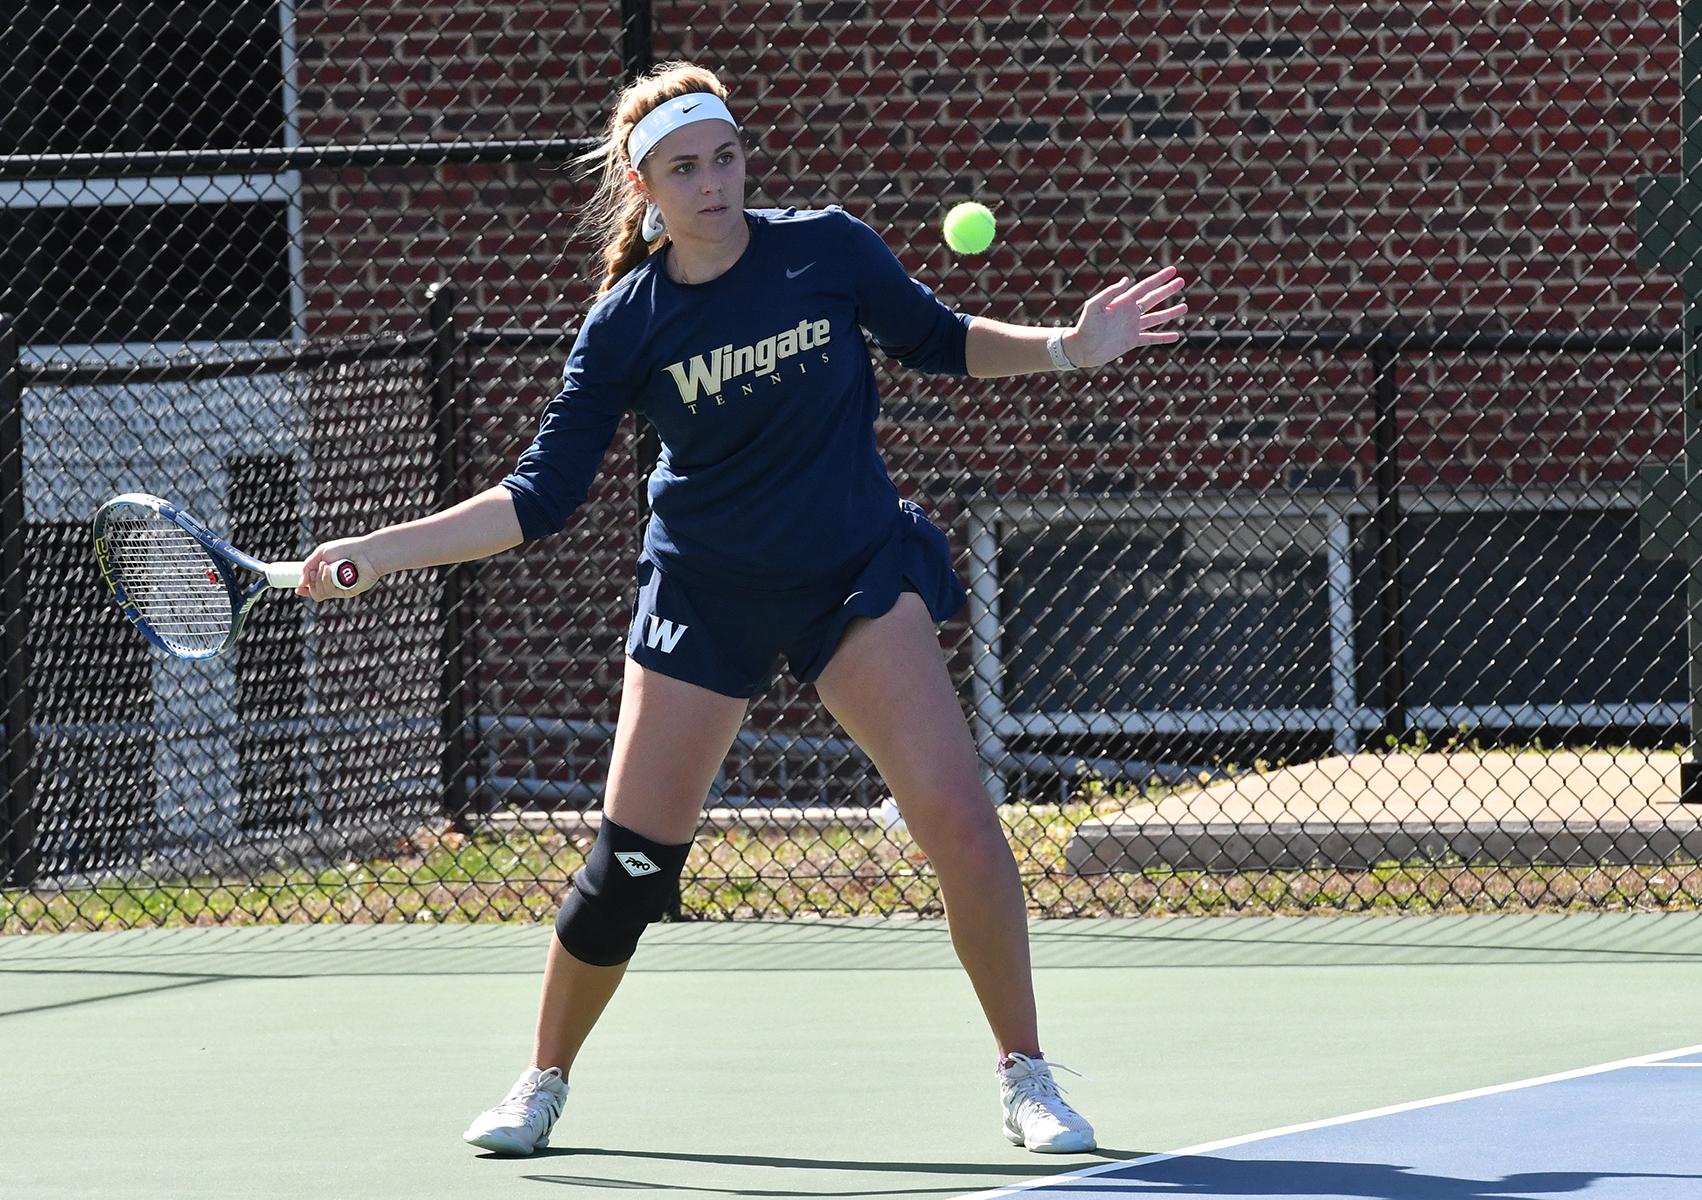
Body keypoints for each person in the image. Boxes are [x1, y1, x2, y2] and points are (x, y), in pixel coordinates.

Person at [297, 61, 1186, 1156]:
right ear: (645, 191)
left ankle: (1025, 1075)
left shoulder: (828, 250)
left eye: (724, 157)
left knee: (958, 818)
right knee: (628, 870)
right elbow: (537, 497)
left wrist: (1067, 346)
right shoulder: (624, 323)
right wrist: (377, 556)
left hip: (849, 575)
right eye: (684, 168)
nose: (713, 183)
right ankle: (540, 1081)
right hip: (703, 597)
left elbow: (936, 337)